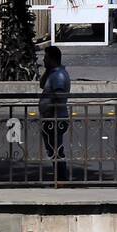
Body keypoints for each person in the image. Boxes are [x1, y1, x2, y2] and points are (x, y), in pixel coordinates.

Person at [38, 45, 70, 179]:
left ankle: (61, 177)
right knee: (52, 148)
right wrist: (47, 70)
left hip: (55, 119)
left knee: (56, 149)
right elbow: (41, 84)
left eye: (46, 58)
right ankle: (59, 176)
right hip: (50, 118)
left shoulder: (59, 76)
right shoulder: (53, 73)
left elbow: (59, 95)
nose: (43, 61)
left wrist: (49, 111)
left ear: (52, 59)